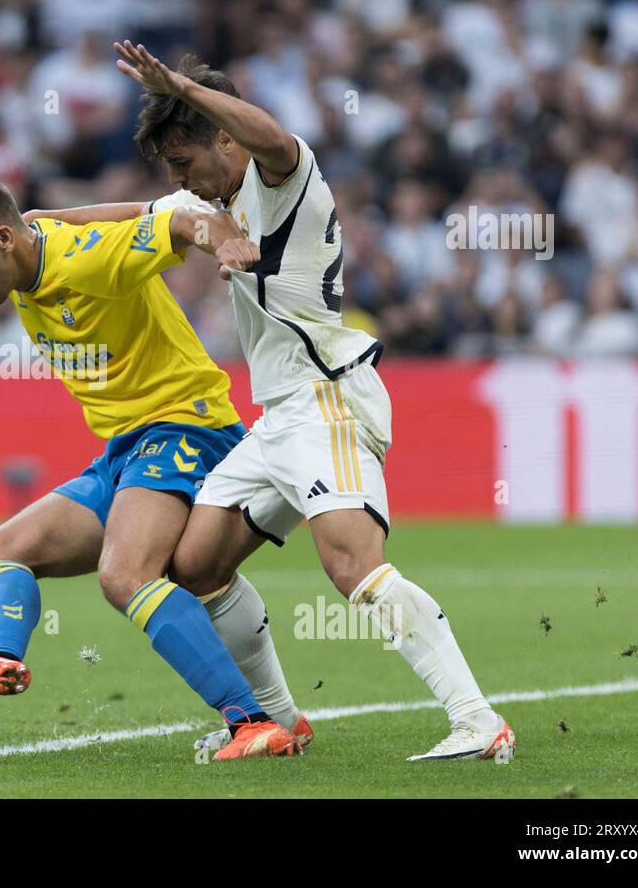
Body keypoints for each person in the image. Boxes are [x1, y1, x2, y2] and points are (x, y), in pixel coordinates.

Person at [29, 42, 514, 763]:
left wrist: (184, 89)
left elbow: (273, 136)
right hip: (276, 420)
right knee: (194, 566)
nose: (178, 179)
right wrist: (40, 222)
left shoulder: (284, 179)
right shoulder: (207, 201)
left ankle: (478, 721)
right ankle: (281, 720)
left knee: (352, 565)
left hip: (328, 398)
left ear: (222, 137)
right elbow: (136, 211)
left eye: (184, 160)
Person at [0, 171, 308, 760]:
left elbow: (174, 224)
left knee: (127, 576)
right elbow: (57, 217)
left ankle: (251, 723)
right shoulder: (32, 238)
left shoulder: (89, 262)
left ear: (2, 241)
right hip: (125, 450)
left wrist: (217, 234)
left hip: (185, 425)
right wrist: (144, 204)